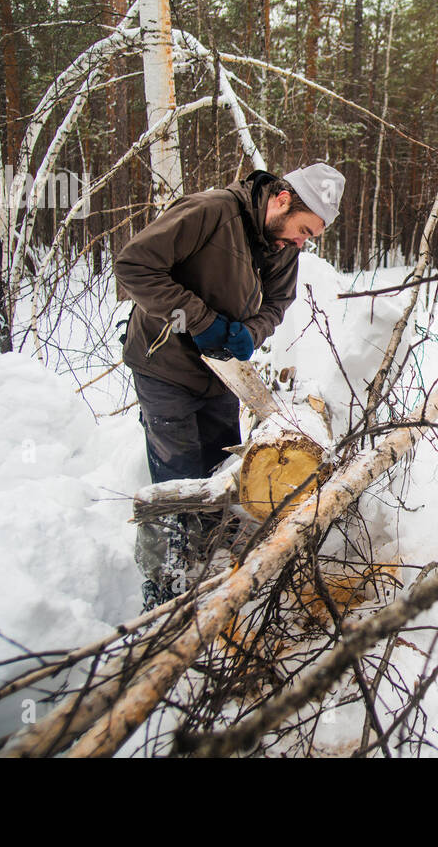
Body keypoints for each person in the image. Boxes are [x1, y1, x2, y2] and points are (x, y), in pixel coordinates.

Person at [114, 163, 344, 610]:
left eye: (310, 237)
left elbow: (277, 304)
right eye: (303, 229)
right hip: (164, 366)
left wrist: (250, 333)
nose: (302, 242)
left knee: (223, 472)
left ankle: (215, 571)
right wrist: (199, 320)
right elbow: (134, 266)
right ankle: (165, 589)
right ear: (281, 199)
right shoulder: (211, 212)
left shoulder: (283, 245)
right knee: (179, 476)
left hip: (222, 372)